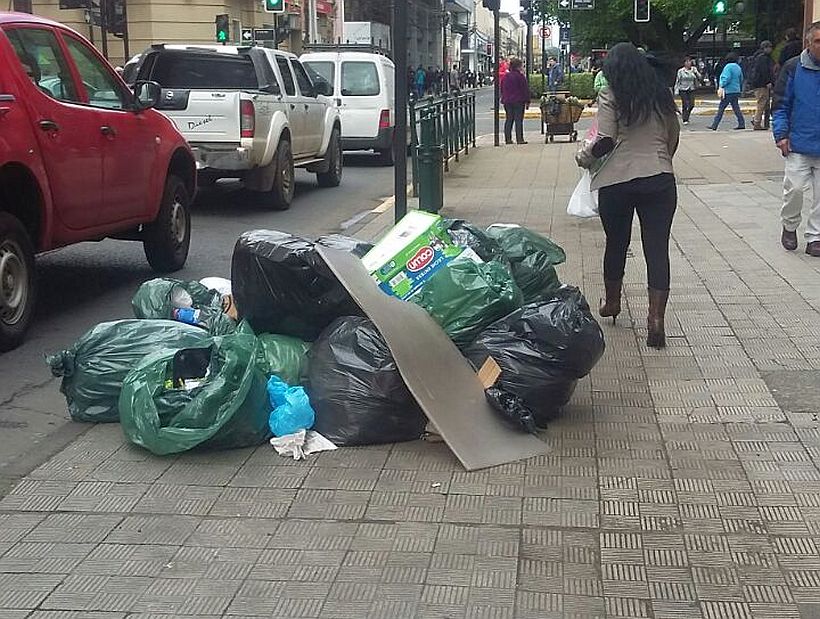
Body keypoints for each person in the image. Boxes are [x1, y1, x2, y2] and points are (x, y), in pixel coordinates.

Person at [575, 42, 680, 349]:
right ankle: (656, 320)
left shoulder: (611, 93)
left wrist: (584, 157)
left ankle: (611, 302)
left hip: (617, 182)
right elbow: (673, 134)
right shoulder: (660, 92)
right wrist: (662, 160)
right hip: (659, 179)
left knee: (617, 242)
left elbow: (605, 138)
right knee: (657, 248)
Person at [773, 21, 820, 256]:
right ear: (808, 43)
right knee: (795, 190)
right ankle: (789, 226)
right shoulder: (793, 68)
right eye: (818, 41)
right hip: (798, 144)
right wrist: (781, 135)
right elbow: (780, 104)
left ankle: (815, 237)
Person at [708, 52, 745, 131]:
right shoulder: (738, 67)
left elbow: (726, 78)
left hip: (728, 91)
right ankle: (741, 123)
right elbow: (741, 78)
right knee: (736, 108)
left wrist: (721, 85)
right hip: (736, 90)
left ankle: (715, 125)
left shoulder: (728, 67)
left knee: (721, 108)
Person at [500, 57, 529, 145]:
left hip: (507, 101)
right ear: (518, 67)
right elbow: (525, 89)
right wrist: (527, 101)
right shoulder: (520, 76)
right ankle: (519, 139)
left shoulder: (506, 77)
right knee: (518, 120)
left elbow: (502, 88)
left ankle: (508, 139)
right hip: (519, 101)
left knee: (509, 119)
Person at [749, 41, 775, 130]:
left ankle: (758, 121)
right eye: (769, 47)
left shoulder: (759, 57)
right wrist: (768, 81)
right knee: (762, 103)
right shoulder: (763, 58)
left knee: (764, 103)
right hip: (761, 84)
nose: (770, 49)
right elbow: (765, 71)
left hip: (759, 83)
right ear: (765, 48)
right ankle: (756, 121)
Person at [674, 56, 701, 125]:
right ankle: (685, 119)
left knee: (692, 104)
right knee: (685, 104)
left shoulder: (694, 69)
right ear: (684, 63)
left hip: (691, 88)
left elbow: (700, 77)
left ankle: (687, 115)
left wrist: (696, 72)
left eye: (689, 61)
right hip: (683, 89)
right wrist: (676, 90)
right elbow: (678, 81)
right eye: (687, 61)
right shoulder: (681, 71)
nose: (689, 63)